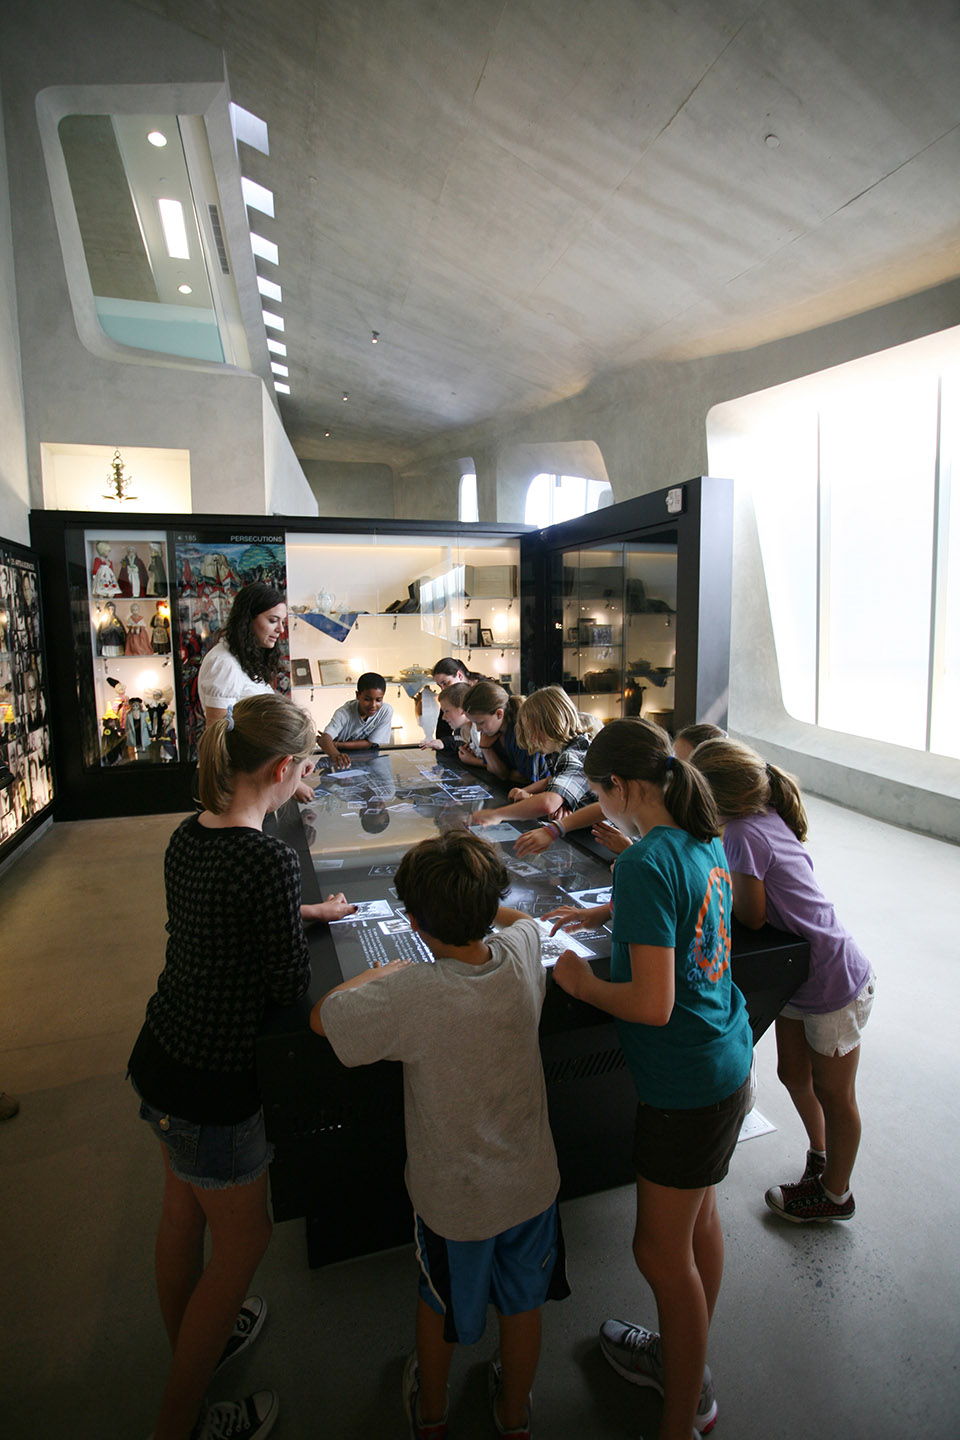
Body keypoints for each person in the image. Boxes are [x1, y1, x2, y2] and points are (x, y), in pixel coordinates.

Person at [127, 694, 356, 1440]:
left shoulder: (190, 835)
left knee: (180, 1214)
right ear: (286, 768)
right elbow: (290, 985)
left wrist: (303, 911)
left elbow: (218, 923)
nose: (308, 780)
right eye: (309, 769)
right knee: (245, 1242)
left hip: (164, 1055)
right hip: (217, 1084)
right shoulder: (267, 859)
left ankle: (198, 1342)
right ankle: (180, 1421)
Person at [311, 832, 569, 1440]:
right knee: (524, 1303)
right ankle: (513, 1416)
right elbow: (523, 920)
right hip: (531, 1184)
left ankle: (431, 1413)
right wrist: (483, 903)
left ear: (413, 921)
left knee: (440, 1303)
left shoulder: (412, 994)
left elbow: (324, 1019)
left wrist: (381, 973)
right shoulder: (523, 948)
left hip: (454, 1201)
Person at [547, 717, 752, 1440]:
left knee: (657, 1253)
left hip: (684, 1087)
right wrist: (606, 907)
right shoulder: (700, 835)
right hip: (728, 1060)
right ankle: (681, 1360)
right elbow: (688, 910)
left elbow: (650, 1003)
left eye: (598, 793)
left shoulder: (641, 862)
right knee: (698, 1225)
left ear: (623, 787)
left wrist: (577, 982)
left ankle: (680, 1414)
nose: (595, 804)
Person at [691, 737, 875, 1223]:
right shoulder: (756, 818)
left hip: (833, 979)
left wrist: (705, 891)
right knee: (793, 1073)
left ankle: (836, 1195)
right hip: (801, 975)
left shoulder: (743, 835)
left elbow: (749, 916)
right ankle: (821, 1158)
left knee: (837, 1096)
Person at [470, 686, 598, 828]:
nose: (529, 738)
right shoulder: (560, 751)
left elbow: (548, 803)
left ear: (549, 725)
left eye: (530, 730)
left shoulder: (574, 754)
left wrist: (496, 814)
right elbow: (552, 779)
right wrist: (526, 791)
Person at [461, 680, 547, 788]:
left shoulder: (521, 732)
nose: (478, 729)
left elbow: (524, 777)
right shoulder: (490, 734)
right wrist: (485, 748)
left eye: (481, 723)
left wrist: (506, 773)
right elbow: (496, 771)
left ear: (499, 714)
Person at [318, 671, 393, 769]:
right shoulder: (344, 713)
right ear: (358, 695)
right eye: (367, 699)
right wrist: (336, 754)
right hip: (343, 760)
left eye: (378, 700)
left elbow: (370, 743)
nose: (373, 705)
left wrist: (336, 744)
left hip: (369, 757)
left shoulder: (385, 711)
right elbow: (325, 738)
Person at [429, 658, 482, 753]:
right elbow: (442, 734)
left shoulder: (484, 694)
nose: (443, 689)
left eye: (445, 683)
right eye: (439, 686)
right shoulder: (449, 697)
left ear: (460, 675)